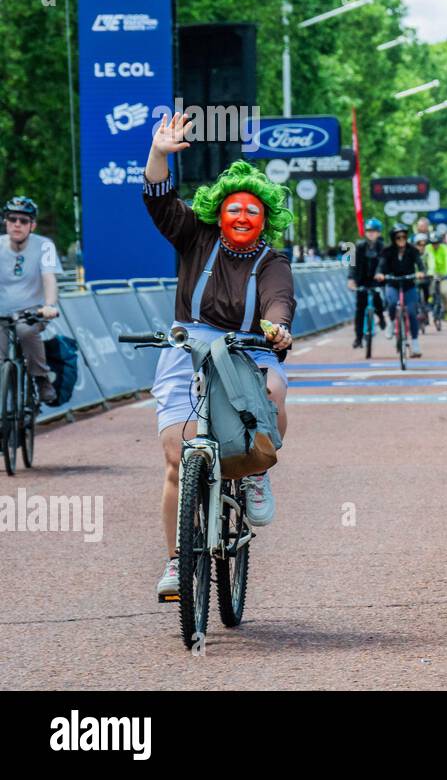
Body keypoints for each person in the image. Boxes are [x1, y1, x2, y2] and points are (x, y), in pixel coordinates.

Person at [143, 112, 295, 600]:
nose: (243, 217)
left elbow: (278, 300)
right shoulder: (195, 237)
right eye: (234, 209)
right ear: (219, 213)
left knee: (274, 390)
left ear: (265, 217)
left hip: (247, 349)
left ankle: (255, 473)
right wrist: (160, 153)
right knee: (176, 457)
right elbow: (161, 201)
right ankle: (175, 562)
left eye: (253, 211)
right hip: (187, 346)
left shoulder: (272, 261)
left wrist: (277, 328)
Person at [1, 196, 62, 405]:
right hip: (2, 313)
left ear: (32, 225)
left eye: (24, 220)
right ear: (5, 222)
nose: (17, 224)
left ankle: (41, 378)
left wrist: (50, 306)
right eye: (12, 218)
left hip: (33, 311)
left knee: (25, 331)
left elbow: (49, 278)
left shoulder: (45, 246)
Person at [377, 222, 425, 357]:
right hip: (392, 283)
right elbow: (381, 265)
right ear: (393, 238)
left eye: (404, 237)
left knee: (411, 312)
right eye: (398, 237)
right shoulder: (387, 251)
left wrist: (421, 272)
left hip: (409, 284)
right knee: (392, 304)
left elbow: (420, 264)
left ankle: (415, 343)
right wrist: (380, 274)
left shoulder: (412, 250)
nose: (401, 240)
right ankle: (392, 323)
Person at [348, 218, 387, 348]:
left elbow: (383, 263)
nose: (371, 233)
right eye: (369, 230)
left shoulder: (383, 247)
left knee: (378, 302)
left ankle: (381, 317)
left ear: (379, 233)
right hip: (362, 280)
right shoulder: (359, 246)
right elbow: (352, 264)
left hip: (377, 280)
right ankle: (358, 338)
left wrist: (380, 274)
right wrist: (351, 279)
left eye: (374, 231)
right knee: (360, 309)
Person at [429, 231, 447, 321]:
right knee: (429, 287)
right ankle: (431, 299)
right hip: (432, 273)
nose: (434, 245)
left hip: (443, 274)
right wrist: (429, 272)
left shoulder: (445, 249)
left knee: (444, 292)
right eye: (432, 243)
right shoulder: (428, 248)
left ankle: (446, 312)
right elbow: (429, 260)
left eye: (436, 243)